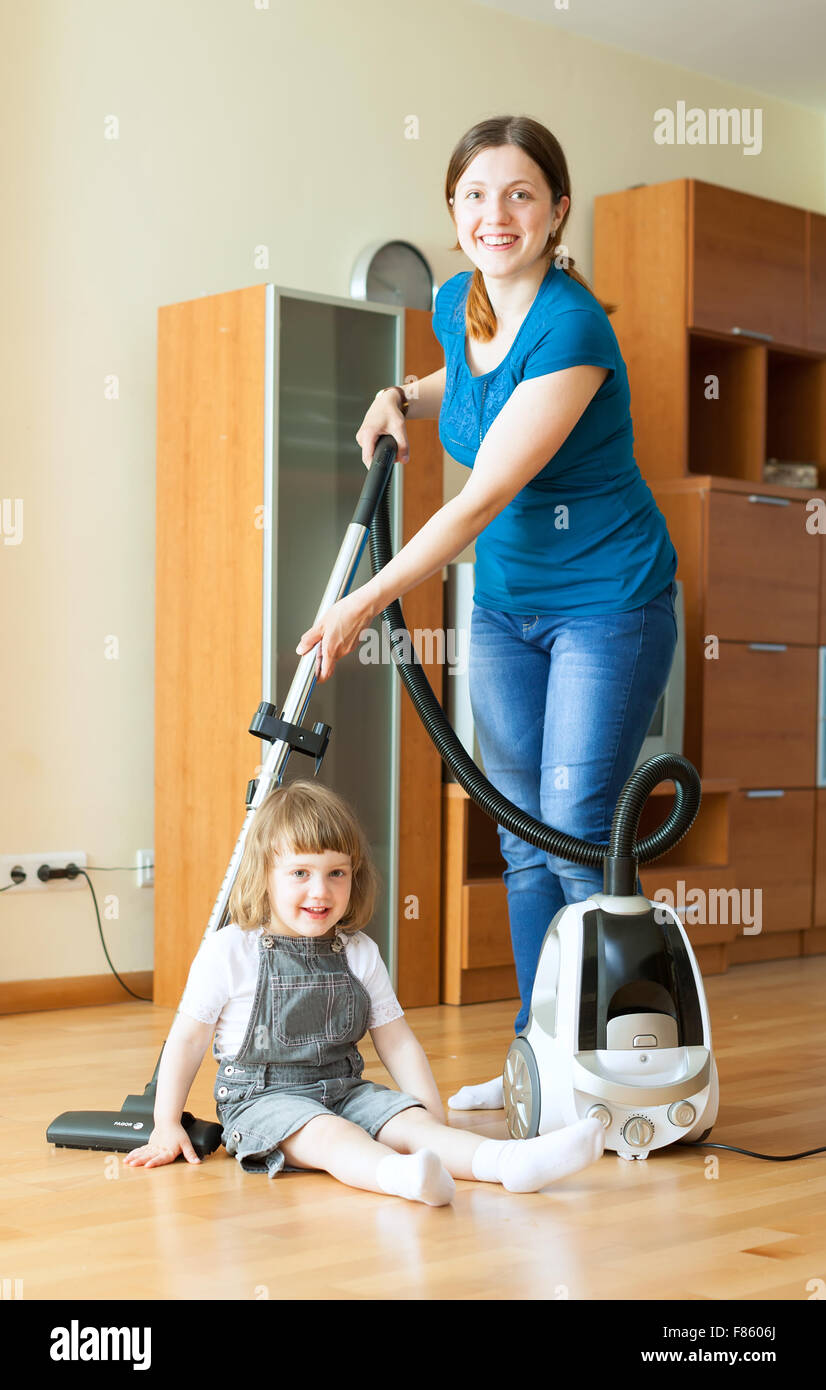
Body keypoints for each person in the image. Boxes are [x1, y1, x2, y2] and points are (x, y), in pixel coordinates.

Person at [294, 116, 679, 1114]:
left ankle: (599, 1057)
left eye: (518, 195)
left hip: (607, 600)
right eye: (473, 196)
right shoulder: (457, 297)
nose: (493, 214)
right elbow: (462, 376)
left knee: (569, 827)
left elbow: (475, 502)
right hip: (507, 605)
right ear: (453, 213)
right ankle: (534, 1056)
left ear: (556, 211)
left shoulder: (573, 328)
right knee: (516, 832)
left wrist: (366, 600)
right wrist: (400, 397)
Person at [124, 779, 605, 1204]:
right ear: (263, 876)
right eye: (300, 873)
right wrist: (166, 1123)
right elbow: (187, 1041)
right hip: (261, 1101)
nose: (321, 891)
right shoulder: (230, 951)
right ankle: (399, 1176)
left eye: (337, 873)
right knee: (328, 1134)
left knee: (409, 1124)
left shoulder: (358, 951)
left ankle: (510, 1163)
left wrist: (429, 1116)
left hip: (345, 1088)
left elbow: (396, 1040)